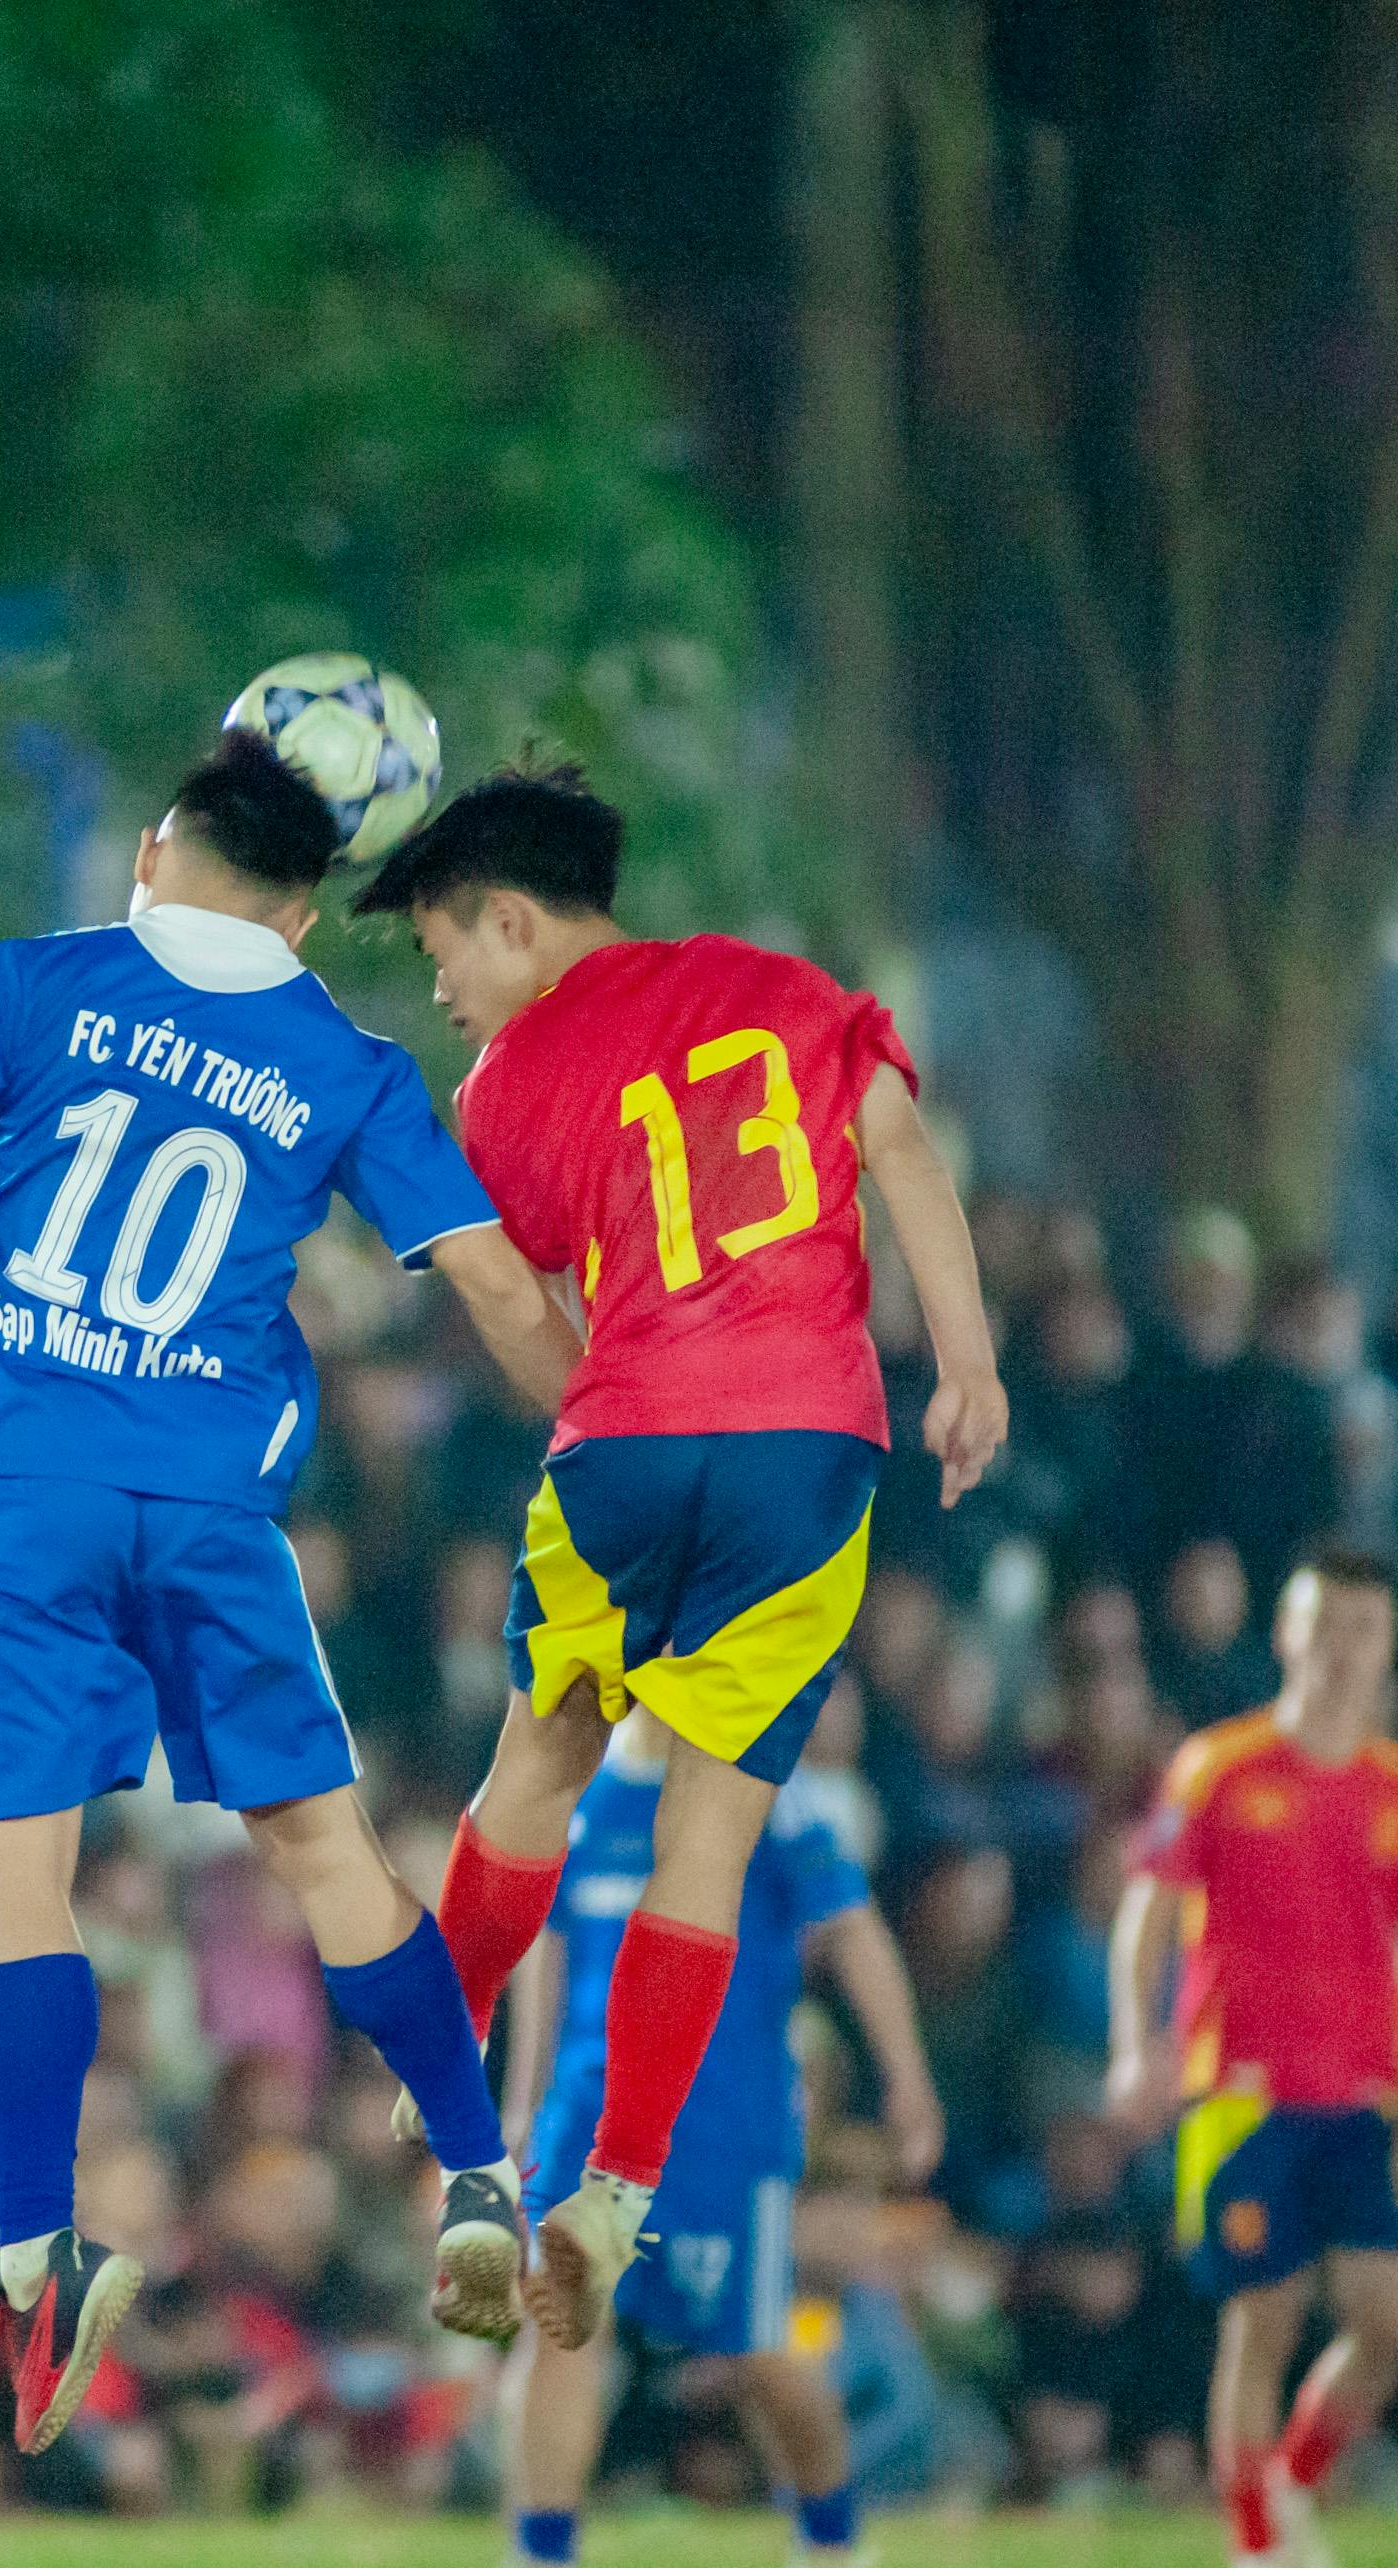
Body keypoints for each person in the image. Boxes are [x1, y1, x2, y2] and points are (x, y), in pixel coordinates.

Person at [0, 730, 583, 2453]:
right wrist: (618, 1429)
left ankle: (41, 2253)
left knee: (20, 1884)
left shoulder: (29, 987)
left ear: (153, 850)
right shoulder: (343, 1063)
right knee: (324, 1850)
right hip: (209, 1507)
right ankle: (479, 2172)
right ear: (301, 907)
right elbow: (501, 1292)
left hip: (20, 1497)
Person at [358, 766, 1007, 2350]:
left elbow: (517, 1302)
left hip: (628, 1438)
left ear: (515, 920)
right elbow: (904, 1146)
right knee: (708, 1834)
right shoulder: (782, 992)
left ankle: (444, 2096)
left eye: (447, 949)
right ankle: (616, 2193)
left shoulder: (505, 1088)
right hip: (812, 1451)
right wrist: (969, 1364)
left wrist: (593, 1388)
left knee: (535, 1774)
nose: (442, 988)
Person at [439, 1712, 941, 2568]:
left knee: (752, 2354)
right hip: (583, 2115)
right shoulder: (578, 1790)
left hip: (718, 2126)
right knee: (557, 2327)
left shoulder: (766, 1794)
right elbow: (546, 1950)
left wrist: (905, 2076)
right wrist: (523, 2101)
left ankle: (830, 2536)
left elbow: (853, 1931)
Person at [1100, 1545, 1398, 2568]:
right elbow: (1143, 1916)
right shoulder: (1217, 1767)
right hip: (1242, 2091)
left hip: (1361, 2093)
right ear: (1285, 1632)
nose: (1338, 1647)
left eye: (1361, 1627)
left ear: (1386, 1645)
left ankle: (1290, 2481)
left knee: (1388, 2318)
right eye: (1321, 1624)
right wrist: (1134, 2045)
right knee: (1261, 2321)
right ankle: (1256, 2549)